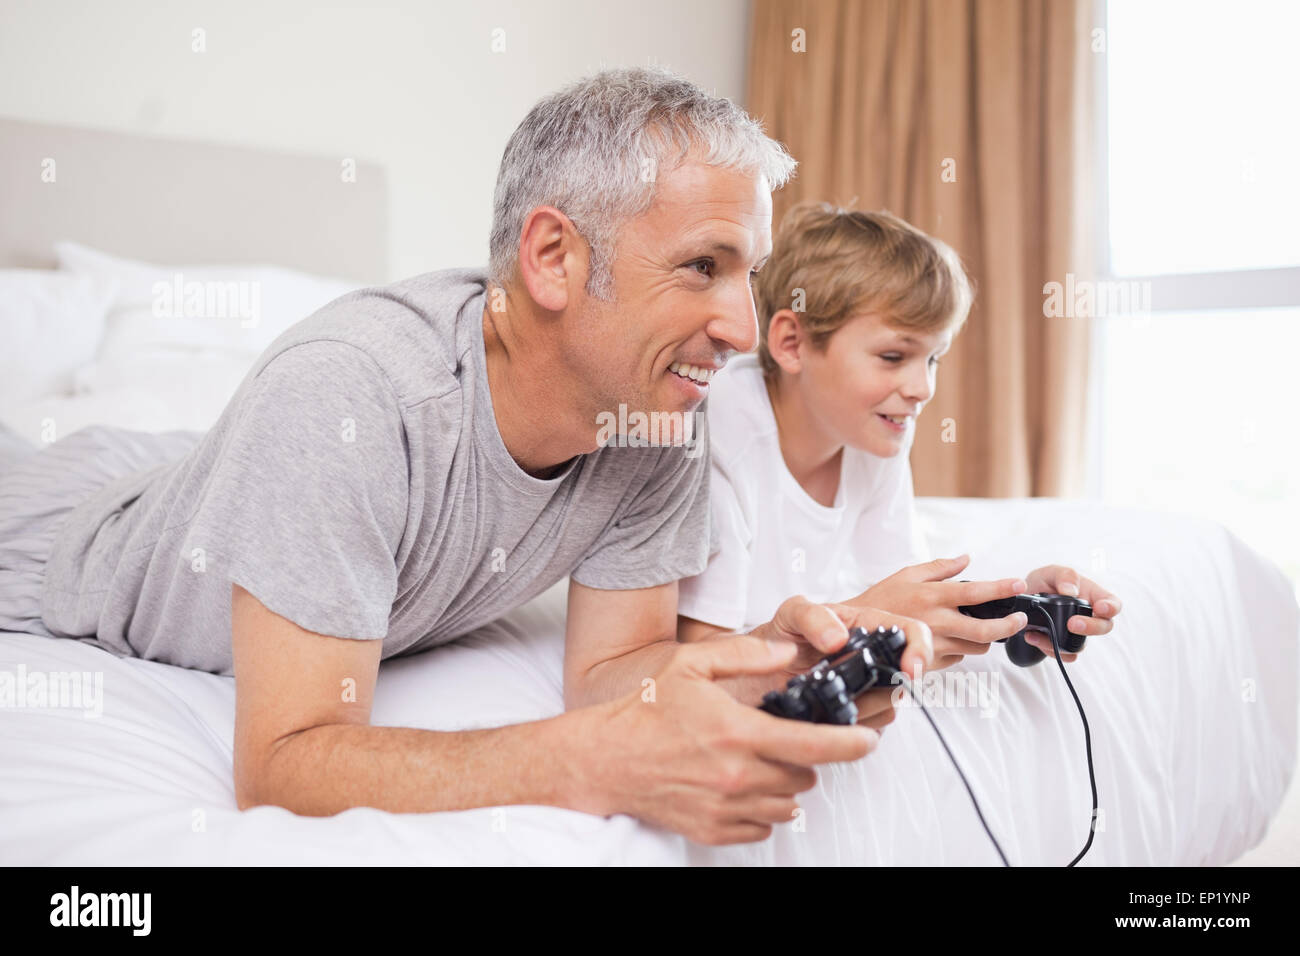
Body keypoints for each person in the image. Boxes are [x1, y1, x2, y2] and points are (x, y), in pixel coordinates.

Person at [0, 68, 933, 847]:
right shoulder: (348, 397)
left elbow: (619, 664)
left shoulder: (658, 415)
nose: (741, 328)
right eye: (702, 267)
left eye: (750, 275)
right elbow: (285, 763)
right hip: (48, 529)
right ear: (554, 257)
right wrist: (590, 760)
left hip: (200, 472)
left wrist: (761, 665)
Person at [677, 202, 1122, 724]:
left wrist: (1014, 606)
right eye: (893, 357)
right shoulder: (723, 431)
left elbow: (904, 594)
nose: (922, 389)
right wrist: (876, 618)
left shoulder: (873, 431)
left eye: (932, 359)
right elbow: (704, 660)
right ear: (792, 343)